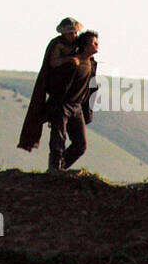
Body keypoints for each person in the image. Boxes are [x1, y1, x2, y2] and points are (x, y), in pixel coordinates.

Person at [17, 17, 83, 156]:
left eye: (75, 33)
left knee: (78, 142)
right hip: (57, 88)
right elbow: (53, 62)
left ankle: (61, 164)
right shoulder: (57, 44)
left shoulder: (78, 44)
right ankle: (56, 164)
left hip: (72, 94)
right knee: (58, 133)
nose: (74, 35)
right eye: (71, 33)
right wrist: (68, 60)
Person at [44, 31, 99, 173]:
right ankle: (54, 169)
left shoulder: (91, 64)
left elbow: (91, 87)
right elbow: (57, 84)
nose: (97, 45)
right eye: (93, 43)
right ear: (85, 46)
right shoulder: (72, 63)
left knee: (80, 145)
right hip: (62, 105)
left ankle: (60, 168)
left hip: (77, 107)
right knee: (58, 139)